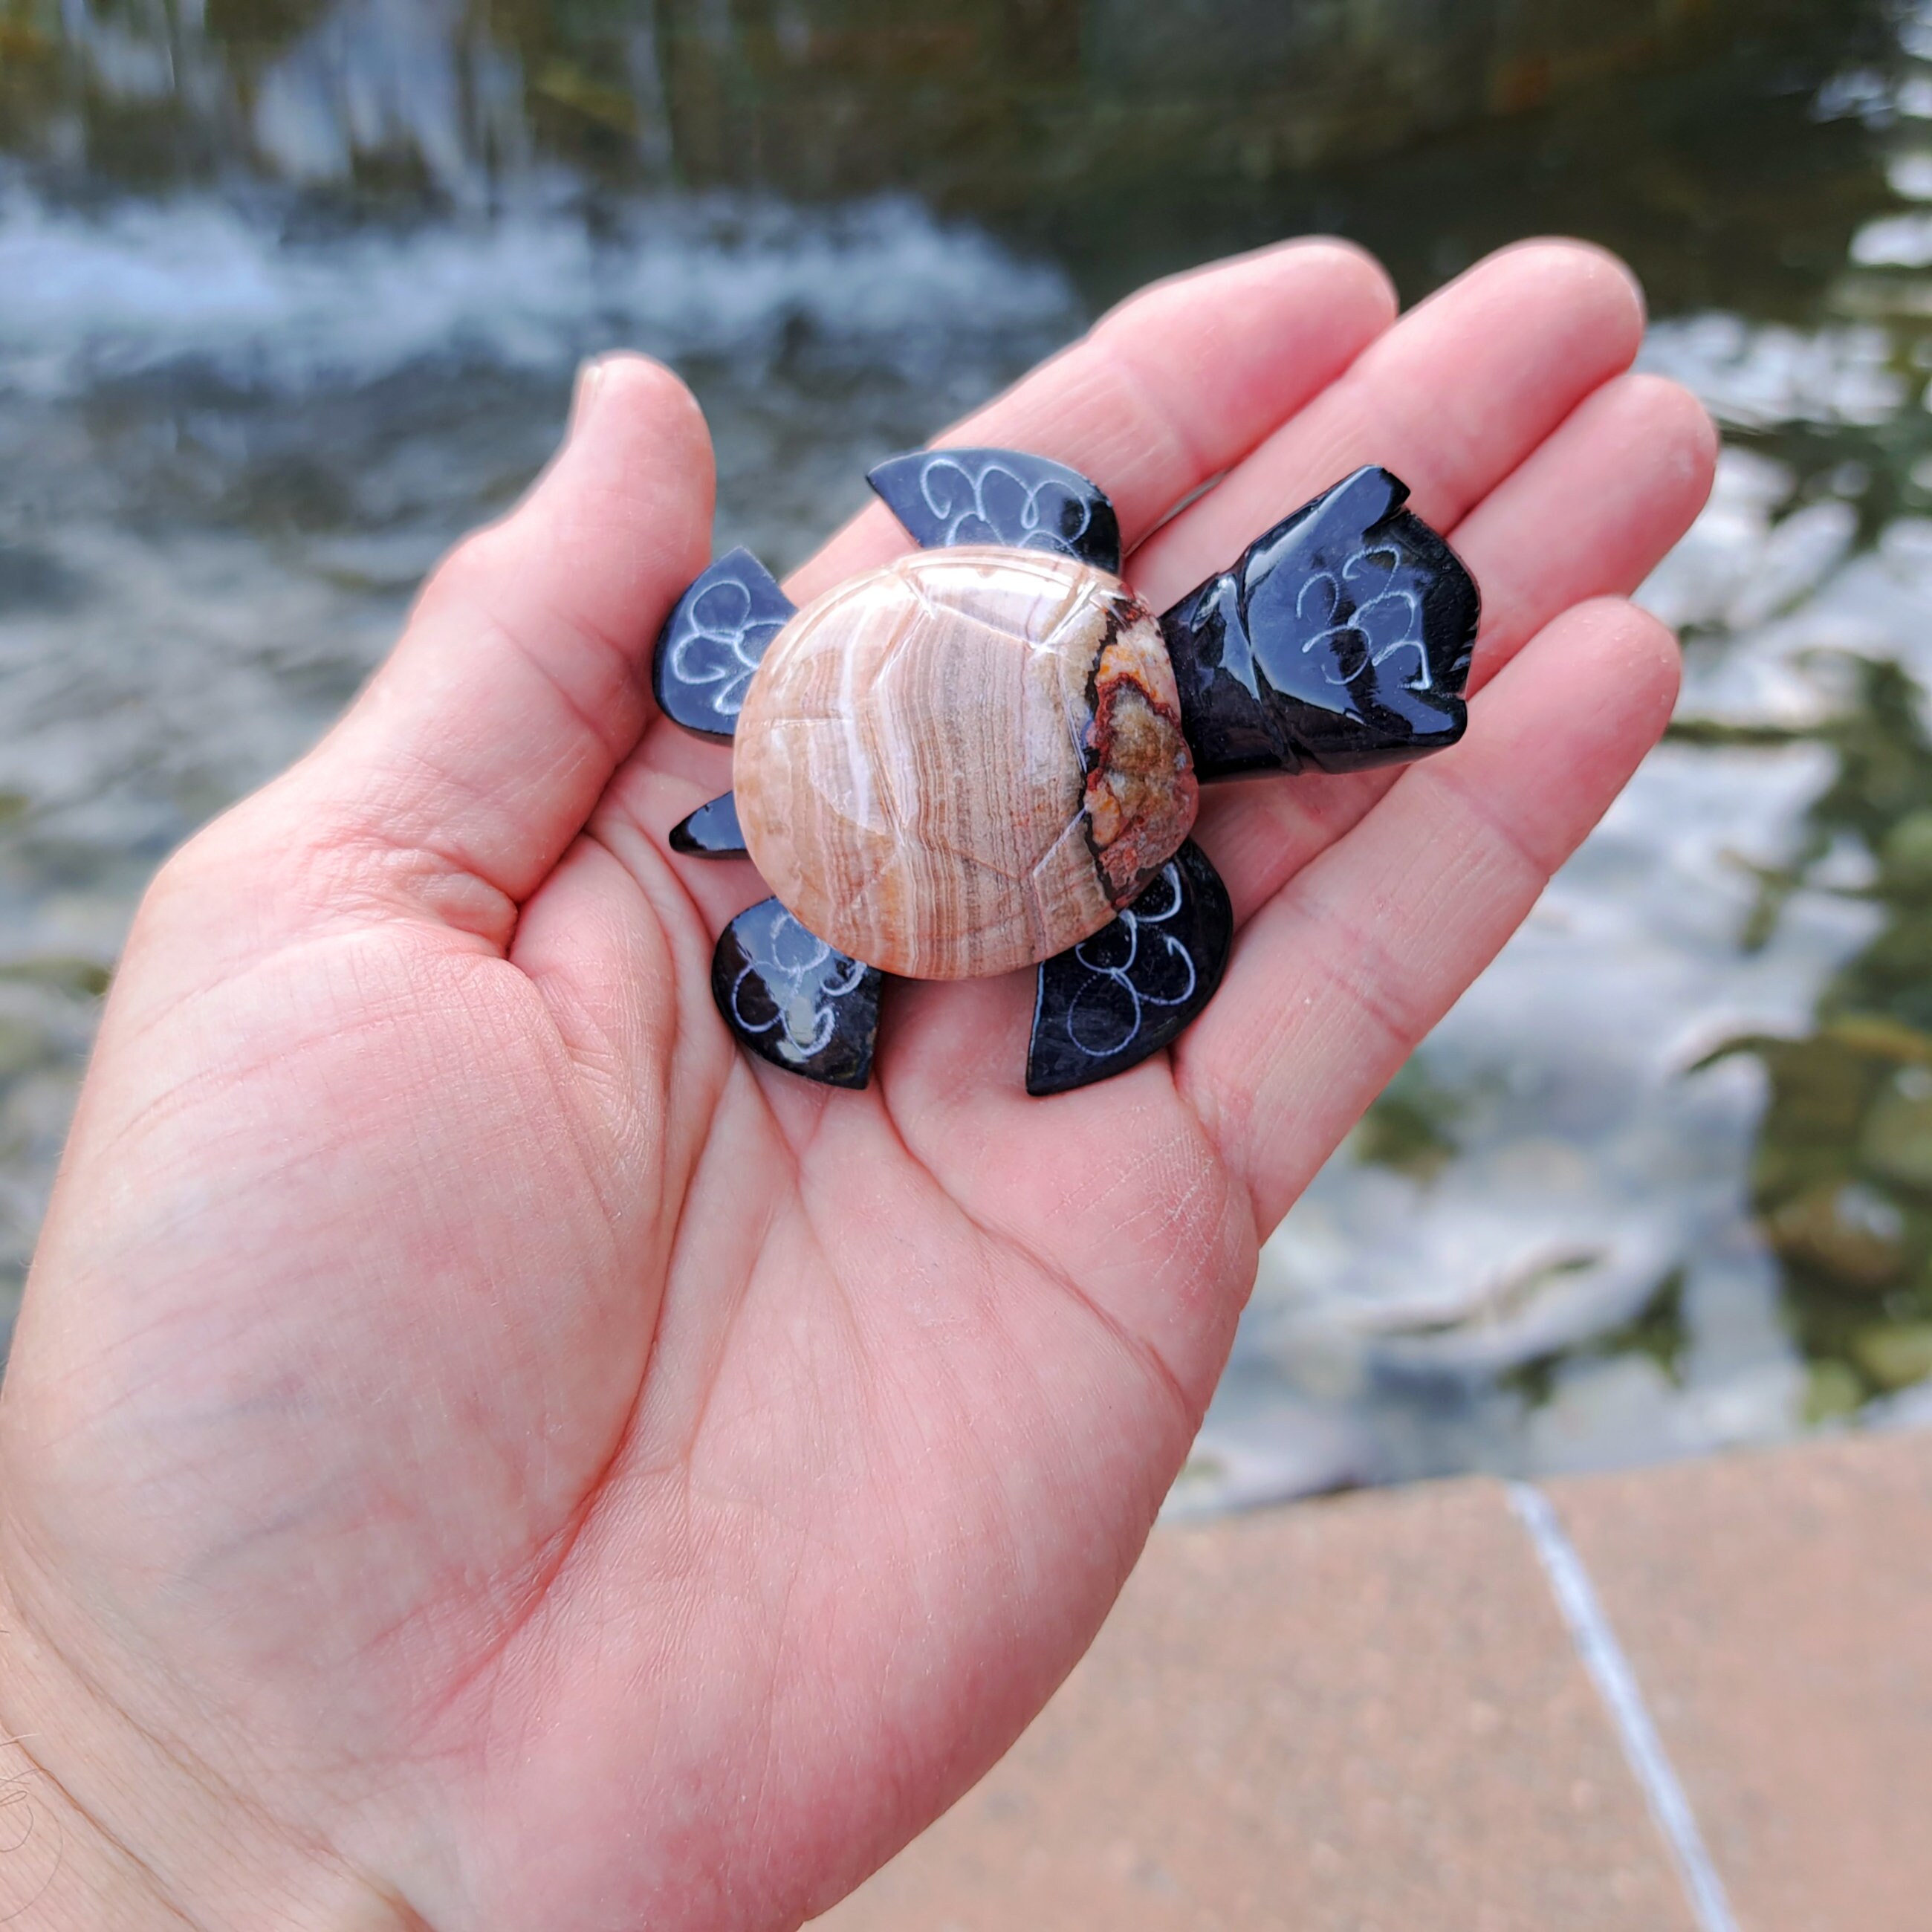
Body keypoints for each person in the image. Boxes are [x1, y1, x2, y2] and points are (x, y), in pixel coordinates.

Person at [0, 237, 1714, 1931]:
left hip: (1063, 766)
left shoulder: (818, 945)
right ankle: (1298, 662)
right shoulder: (860, 766)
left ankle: (1296, 670)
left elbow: (1091, 959)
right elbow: (1079, 866)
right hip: (1086, 697)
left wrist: (131, 1772)